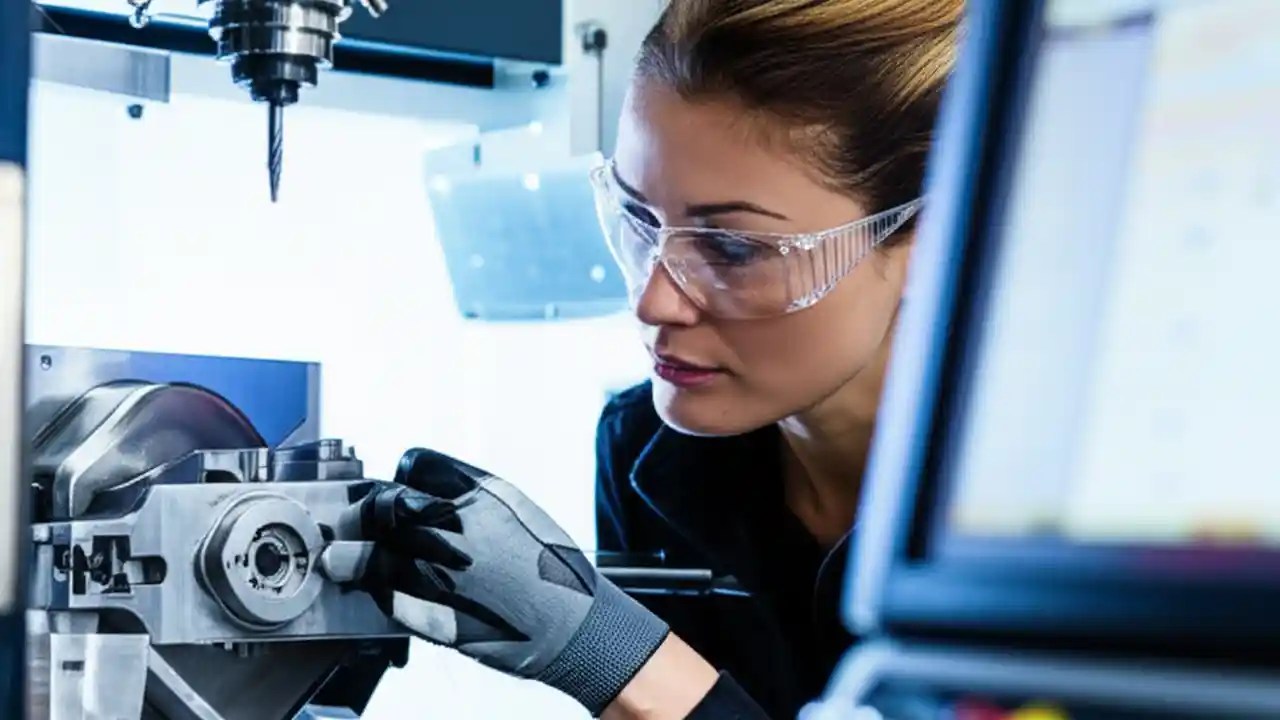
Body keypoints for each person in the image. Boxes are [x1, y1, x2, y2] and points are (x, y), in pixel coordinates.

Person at [347, 0, 962, 717]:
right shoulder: (653, 456)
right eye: (638, 219)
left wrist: (605, 648)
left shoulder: (1036, 527)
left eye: (733, 248)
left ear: (938, 238)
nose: (654, 302)